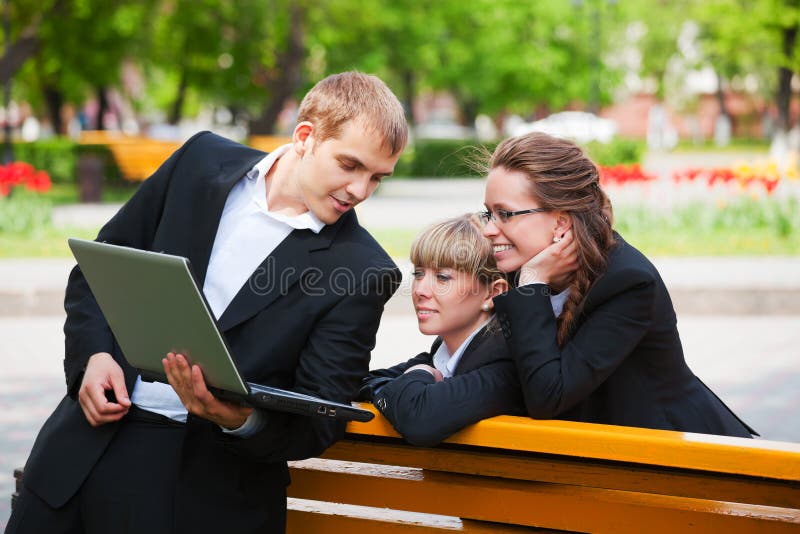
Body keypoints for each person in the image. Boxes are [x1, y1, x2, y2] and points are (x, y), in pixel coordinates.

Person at [8, 72, 407, 534]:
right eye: (350, 165)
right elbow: (99, 270)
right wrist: (92, 358)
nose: (360, 190)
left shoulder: (363, 270)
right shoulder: (198, 162)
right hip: (78, 457)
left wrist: (240, 420)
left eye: (377, 178)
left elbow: (321, 419)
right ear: (305, 137)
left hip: (198, 493)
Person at [480, 131, 755, 438]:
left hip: (675, 451)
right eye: (488, 214)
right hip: (596, 451)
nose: (489, 229)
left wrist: (532, 283)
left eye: (505, 214)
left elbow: (548, 396)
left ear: (560, 223)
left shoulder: (627, 282)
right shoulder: (515, 267)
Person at [359, 214, 524, 446]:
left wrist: (418, 375)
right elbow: (363, 381)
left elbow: (419, 419)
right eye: (418, 274)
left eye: (442, 277)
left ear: (492, 293)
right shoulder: (444, 352)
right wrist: (412, 382)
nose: (420, 290)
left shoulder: (505, 363)